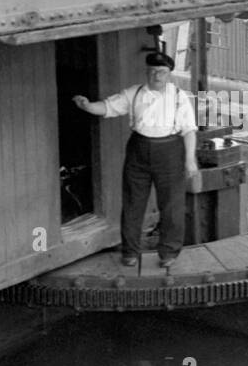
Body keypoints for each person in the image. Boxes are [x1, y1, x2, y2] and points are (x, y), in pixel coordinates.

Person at [73, 43, 198, 268]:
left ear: (169, 74)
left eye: (162, 72)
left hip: (170, 151)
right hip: (139, 149)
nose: (157, 75)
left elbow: (189, 130)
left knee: (171, 205)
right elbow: (108, 107)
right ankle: (130, 252)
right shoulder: (134, 93)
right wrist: (87, 106)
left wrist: (190, 160)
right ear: (146, 72)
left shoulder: (180, 97)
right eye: (152, 71)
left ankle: (168, 253)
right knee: (133, 202)